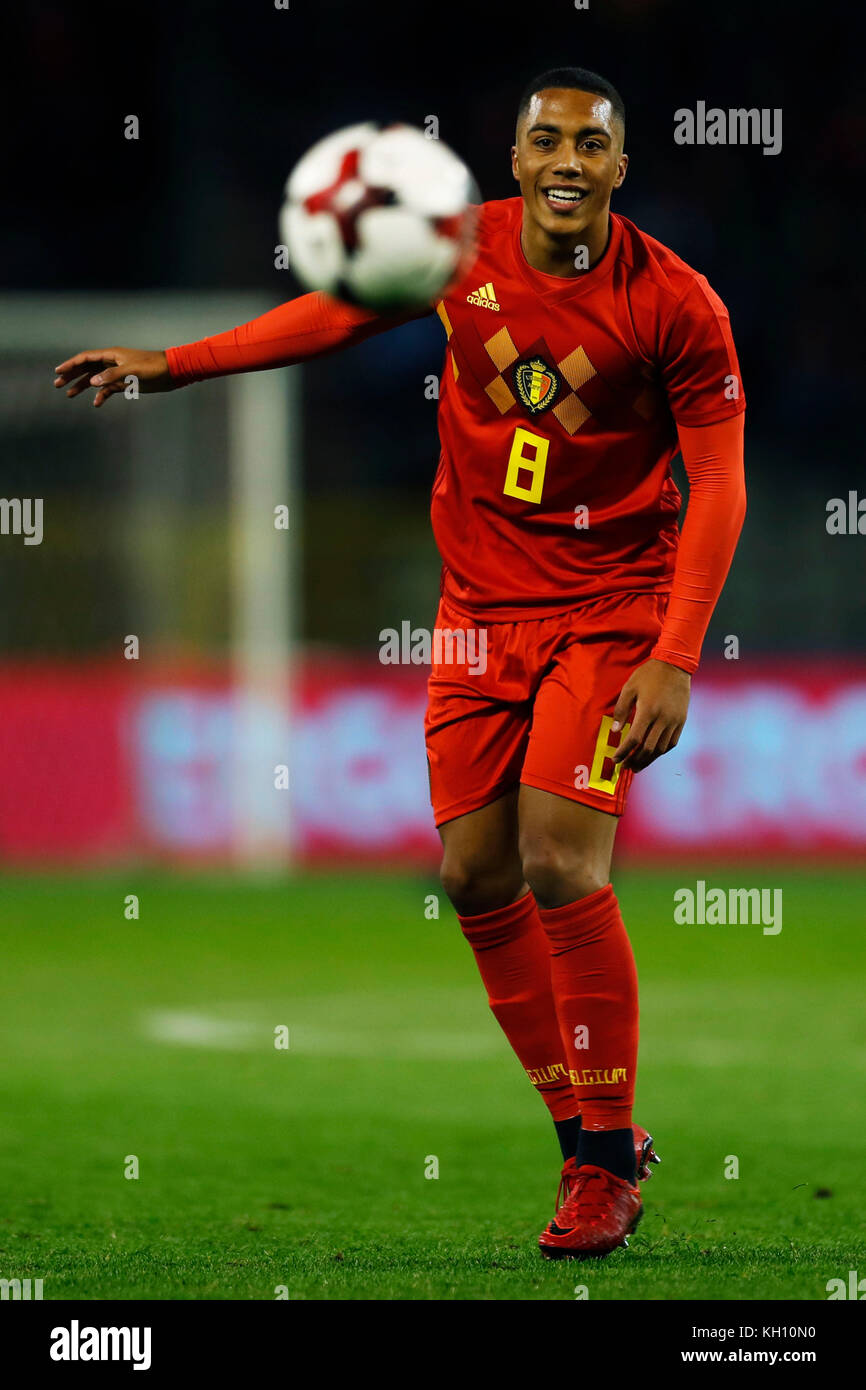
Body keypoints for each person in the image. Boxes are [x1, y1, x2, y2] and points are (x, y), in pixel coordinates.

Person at [54, 66, 746, 1259]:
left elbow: (718, 483)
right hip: (477, 609)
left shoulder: (677, 305)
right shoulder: (451, 250)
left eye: (592, 143)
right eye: (546, 140)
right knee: (474, 877)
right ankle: (589, 1132)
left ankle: (598, 1162)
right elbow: (331, 311)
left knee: (556, 857)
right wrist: (176, 363)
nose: (568, 160)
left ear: (620, 168)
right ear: (514, 158)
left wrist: (673, 656)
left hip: (608, 606)